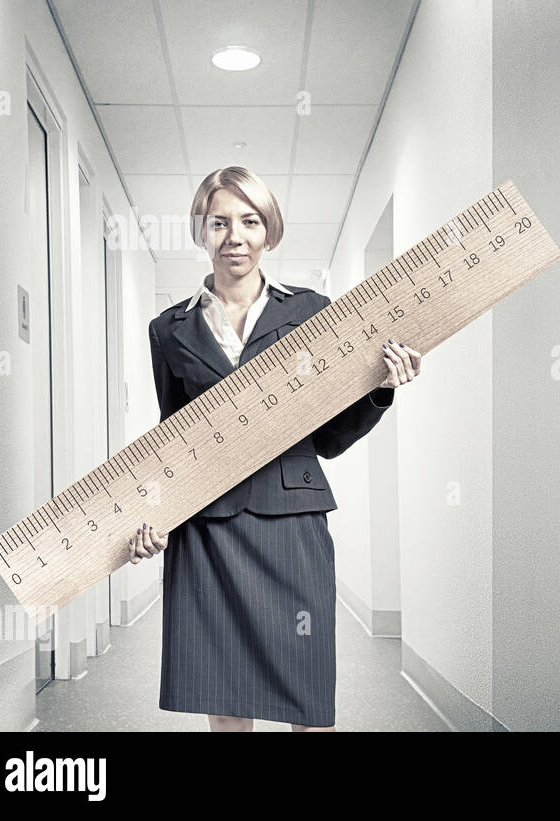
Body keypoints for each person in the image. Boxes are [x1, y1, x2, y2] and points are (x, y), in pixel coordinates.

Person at [130, 166, 421, 732]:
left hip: (293, 521)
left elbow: (331, 438)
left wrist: (381, 390)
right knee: (227, 695)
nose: (234, 235)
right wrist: (152, 515)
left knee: (307, 691)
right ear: (201, 230)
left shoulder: (313, 313)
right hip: (208, 531)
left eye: (249, 221)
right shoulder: (169, 330)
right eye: (219, 222)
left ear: (269, 231)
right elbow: (173, 439)